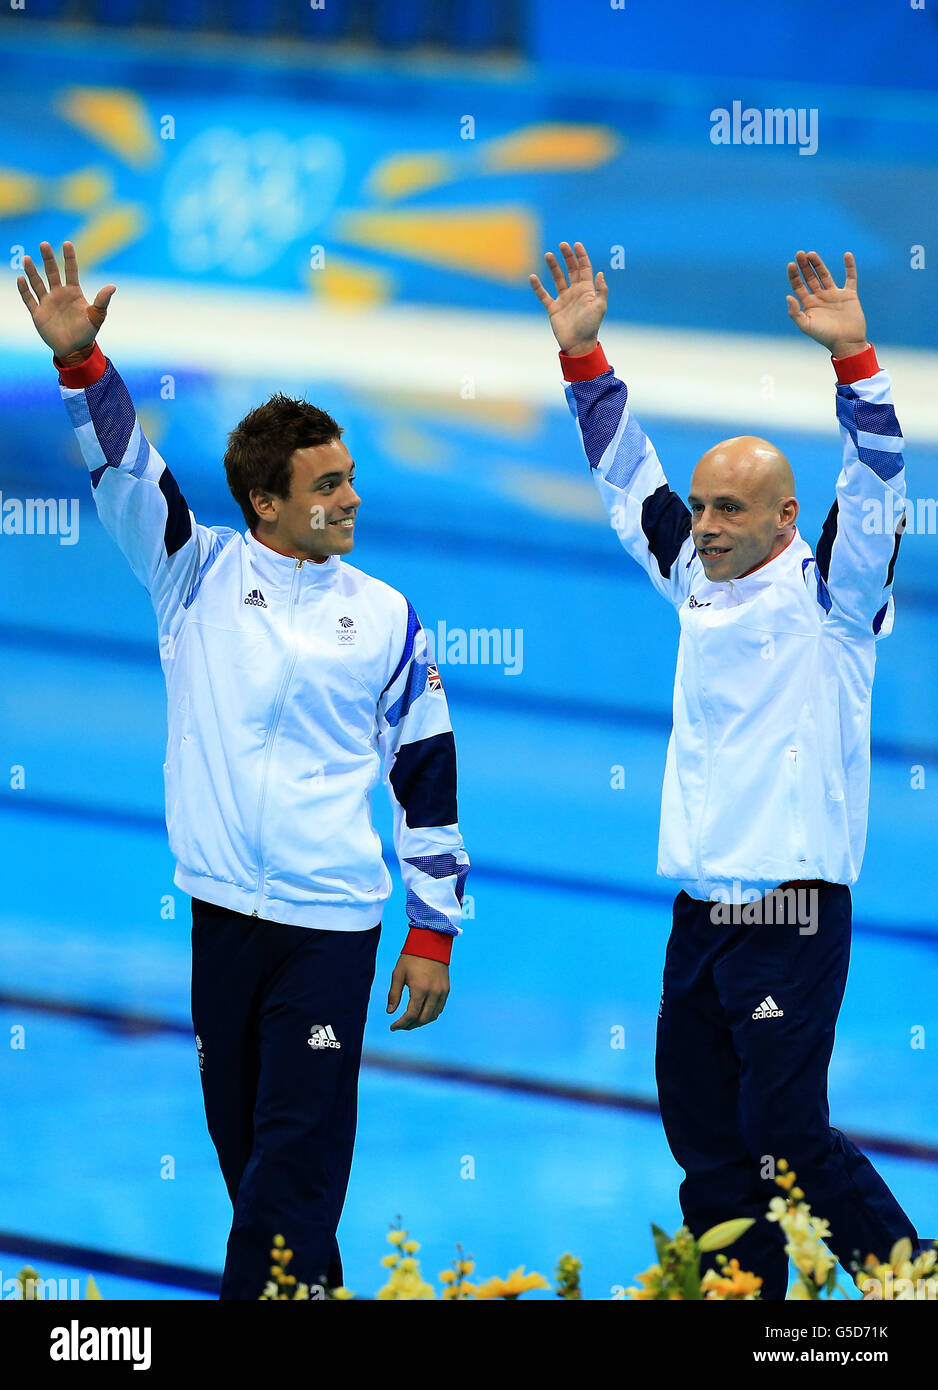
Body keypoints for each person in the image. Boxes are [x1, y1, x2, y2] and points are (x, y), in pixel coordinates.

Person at [18, 240, 469, 1301]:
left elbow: (429, 779)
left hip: (330, 928)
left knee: (290, 1178)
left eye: (351, 476)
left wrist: (432, 930)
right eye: (328, 485)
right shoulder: (196, 572)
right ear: (264, 503)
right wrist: (84, 365)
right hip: (222, 921)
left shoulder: (387, 617)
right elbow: (128, 474)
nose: (351, 498)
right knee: (256, 1173)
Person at [530, 239, 921, 1299]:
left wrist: (855, 365)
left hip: (788, 915)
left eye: (727, 510)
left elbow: (877, 480)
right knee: (708, 1144)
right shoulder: (693, 575)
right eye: (700, 508)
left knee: (786, 1133)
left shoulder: (833, 598)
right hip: (700, 918)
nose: (701, 525)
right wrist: (582, 354)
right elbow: (626, 479)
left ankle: (909, 1284)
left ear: (783, 519)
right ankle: (745, 1306)